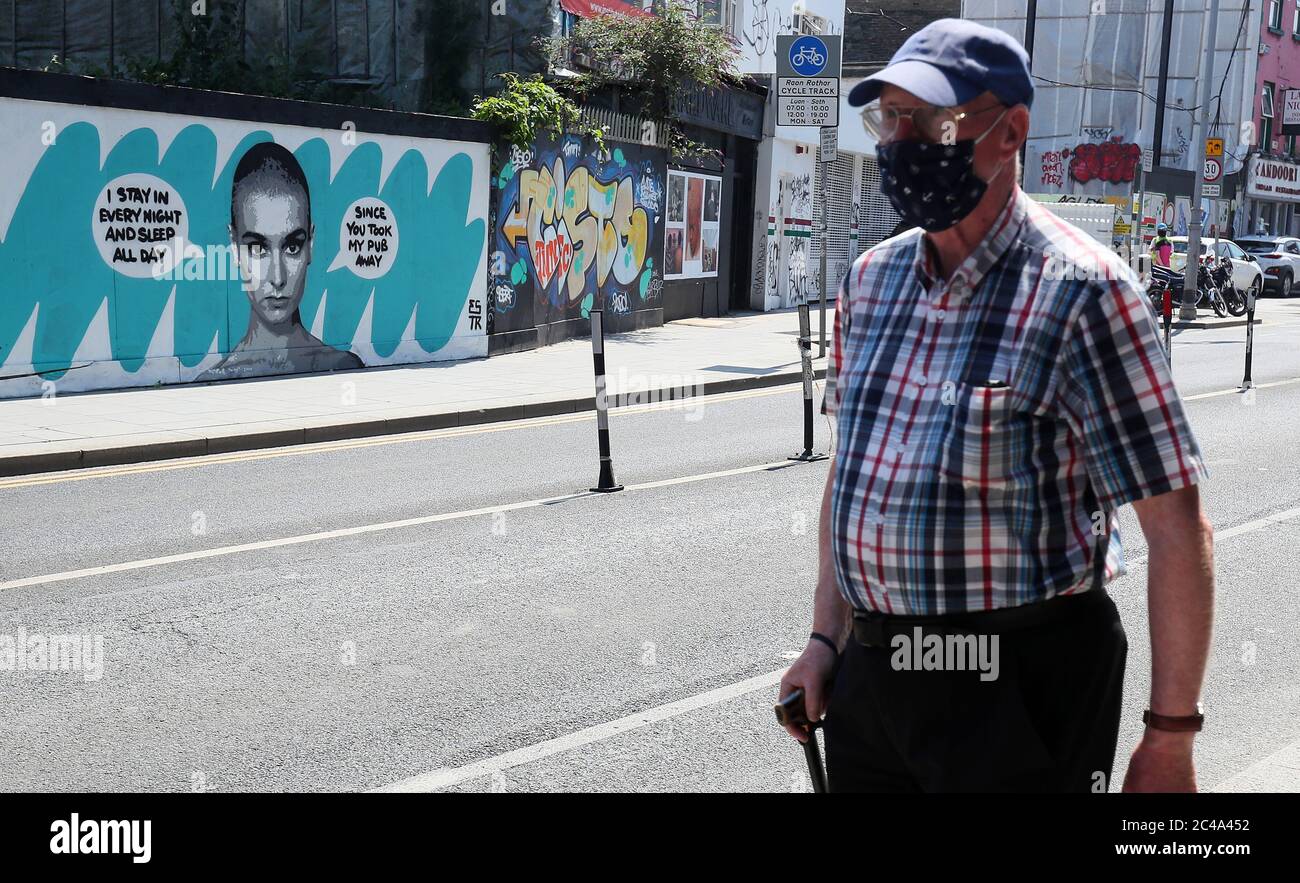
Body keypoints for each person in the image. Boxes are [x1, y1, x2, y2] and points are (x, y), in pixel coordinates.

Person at [779, 19, 1213, 792]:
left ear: (1011, 131)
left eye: (935, 122)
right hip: (875, 685)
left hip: (1020, 687)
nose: (905, 141)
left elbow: (1176, 529)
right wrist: (826, 635)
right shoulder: (872, 283)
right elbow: (853, 477)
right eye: (892, 119)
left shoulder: (1085, 293)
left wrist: (1172, 736)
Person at [198, 142, 363, 382]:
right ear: (234, 246)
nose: (278, 277)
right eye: (257, 248)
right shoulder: (212, 381)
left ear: (311, 245)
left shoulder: (343, 366)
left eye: (292, 247)